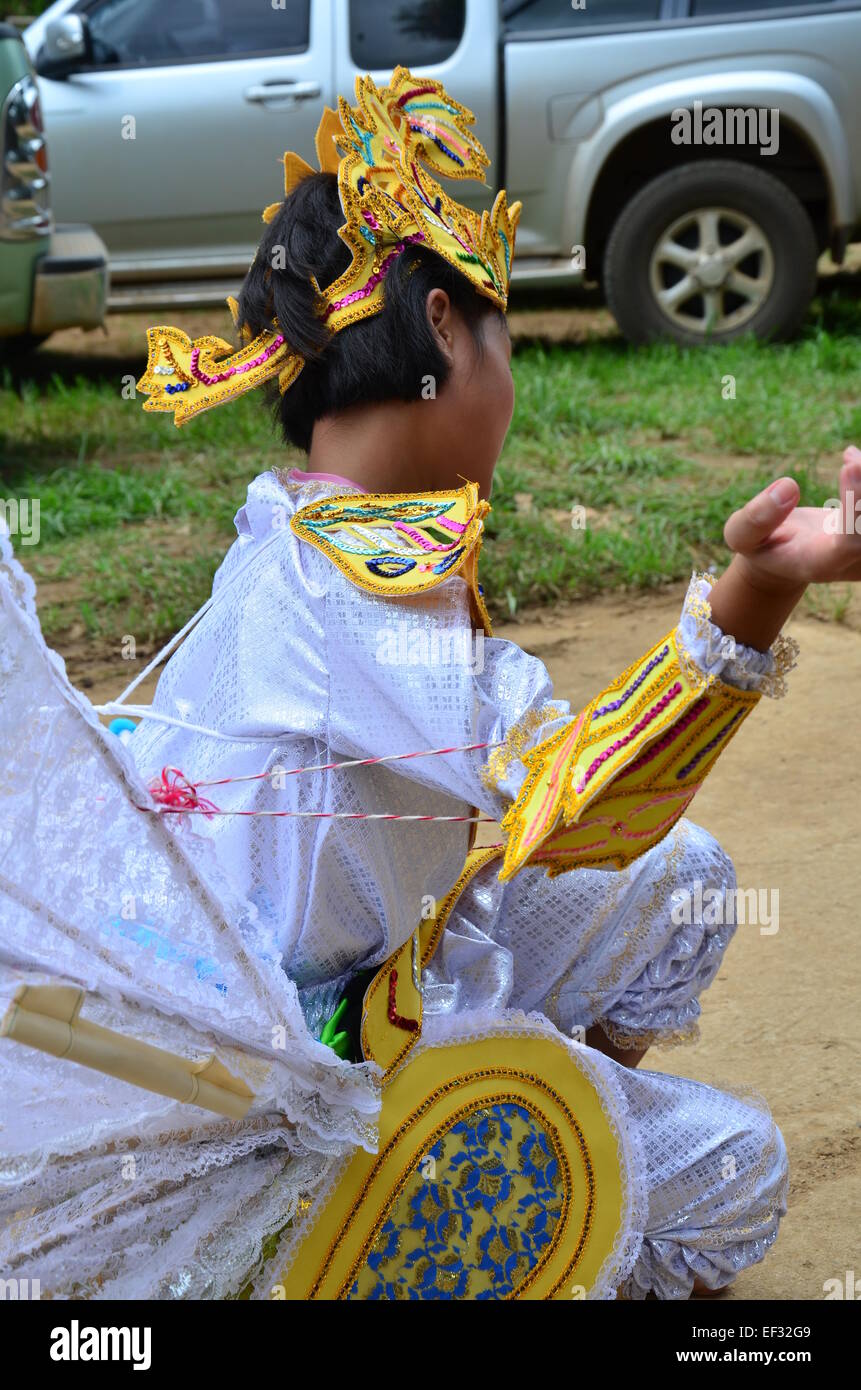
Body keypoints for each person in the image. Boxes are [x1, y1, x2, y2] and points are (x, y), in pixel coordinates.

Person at [2, 67, 859, 1301]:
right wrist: (762, 589)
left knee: (688, 884)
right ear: (447, 332)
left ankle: (544, 1099)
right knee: (740, 1178)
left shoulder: (305, 527)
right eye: (503, 335)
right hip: (321, 1073)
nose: (510, 381)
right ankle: (492, 1160)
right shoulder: (365, 579)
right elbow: (580, 800)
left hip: (369, 953)